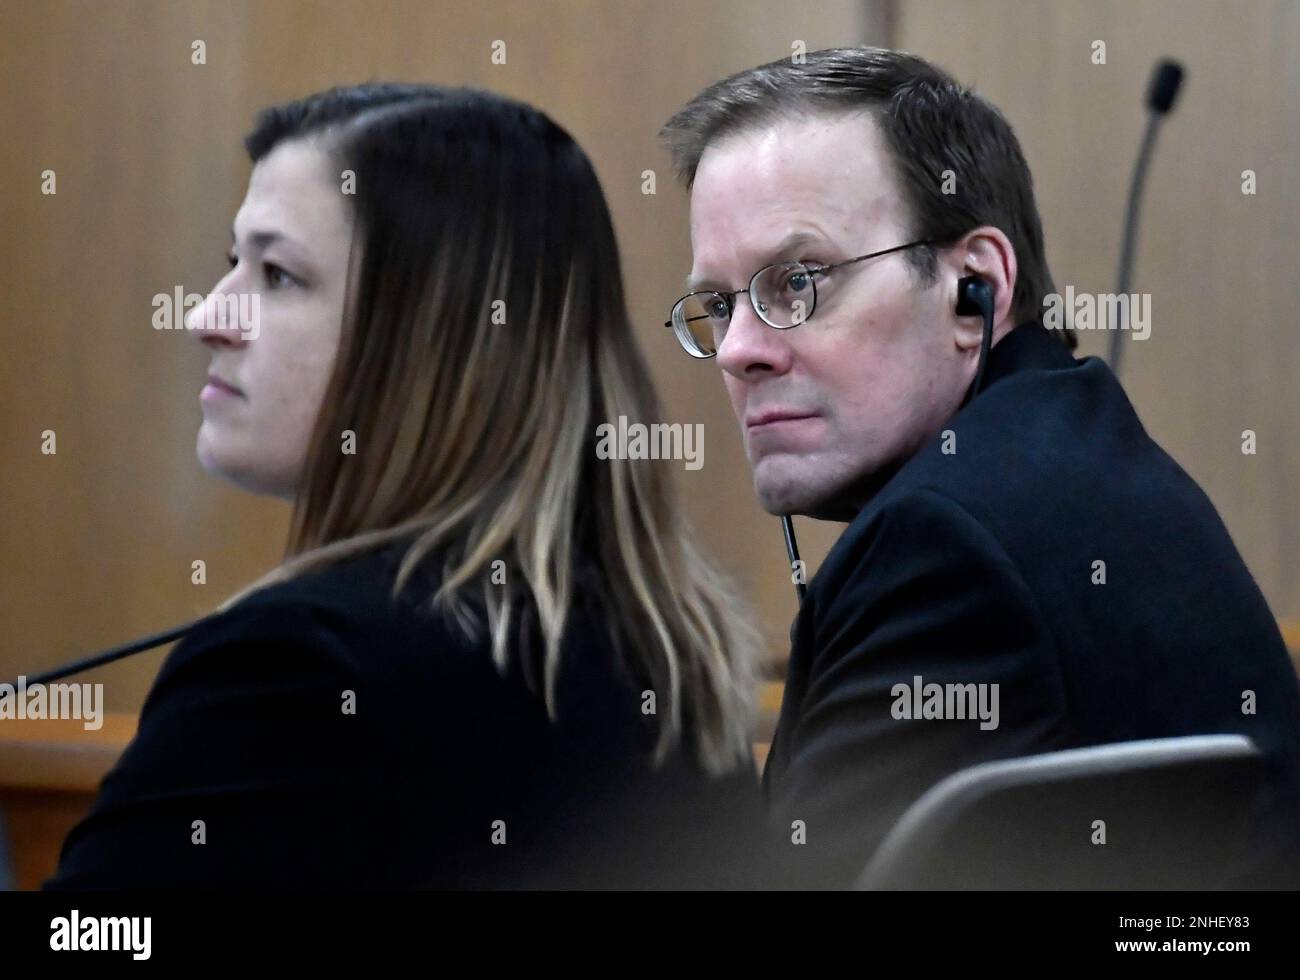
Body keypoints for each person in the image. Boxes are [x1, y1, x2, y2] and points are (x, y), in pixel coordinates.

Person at [45, 83, 767, 889]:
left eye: (277, 274)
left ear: (434, 332)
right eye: (231, 264)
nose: (209, 316)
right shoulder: (663, 659)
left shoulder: (295, 667)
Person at [659, 46, 1300, 888]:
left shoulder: (943, 548)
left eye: (797, 282)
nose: (738, 351)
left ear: (975, 287)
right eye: (718, 304)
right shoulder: (1074, 457)